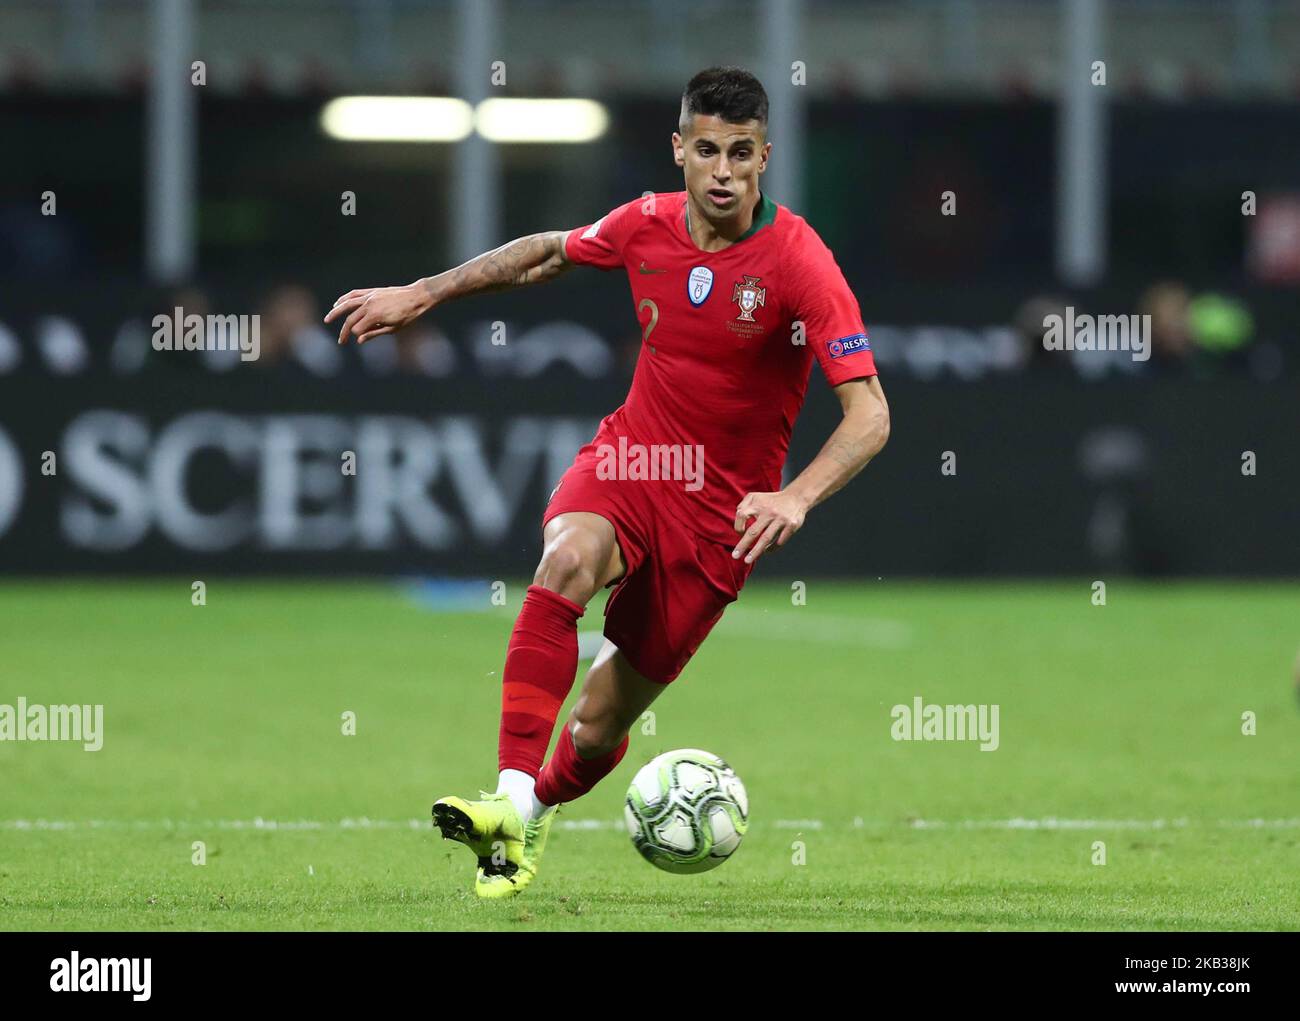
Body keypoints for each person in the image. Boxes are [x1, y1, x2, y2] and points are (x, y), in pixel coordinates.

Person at [324, 67, 890, 898]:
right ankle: (508, 799)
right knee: (566, 560)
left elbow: (870, 413)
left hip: (720, 521)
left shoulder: (801, 261)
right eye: (707, 151)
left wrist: (795, 495)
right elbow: (547, 255)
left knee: (596, 725)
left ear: (766, 157)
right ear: (680, 151)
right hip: (634, 462)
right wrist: (426, 290)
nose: (724, 171)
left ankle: (534, 813)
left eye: (741, 153)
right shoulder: (645, 224)